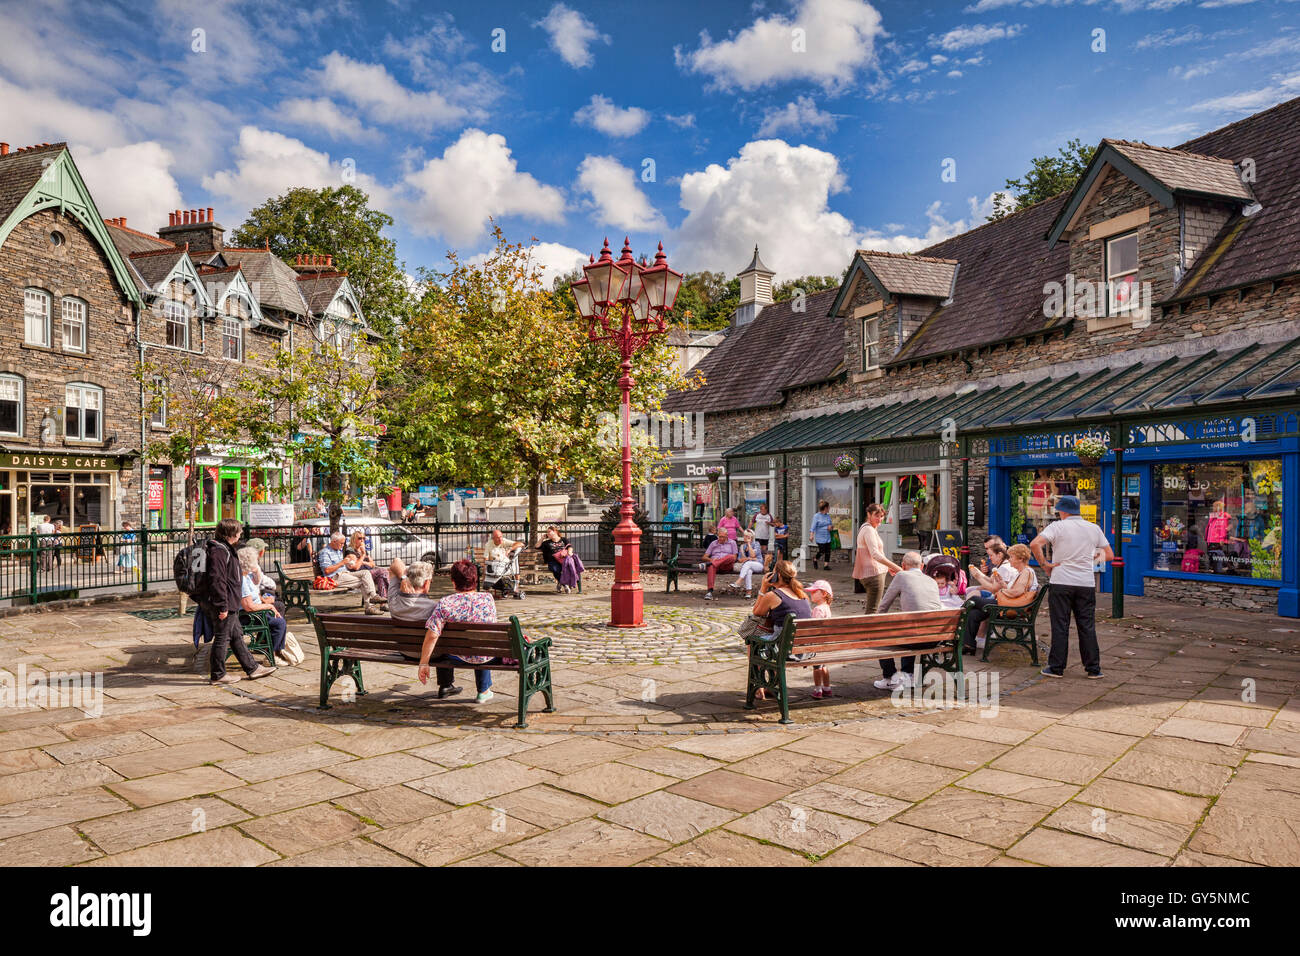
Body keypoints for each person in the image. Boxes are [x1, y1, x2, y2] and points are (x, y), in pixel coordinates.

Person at [1030, 495, 1114, 679]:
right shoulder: (1094, 528)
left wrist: (1045, 564)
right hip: (1085, 583)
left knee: (1060, 625)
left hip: (1061, 581)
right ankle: (1093, 668)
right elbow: (1109, 555)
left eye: (1059, 510)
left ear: (1063, 510)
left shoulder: (1057, 526)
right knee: (1087, 626)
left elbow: (1035, 544)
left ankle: (1056, 667)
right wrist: (1090, 558)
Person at [416, 559, 503, 704]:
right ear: (475, 579)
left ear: (453, 581)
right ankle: (483, 691)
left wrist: (423, 663)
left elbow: (432, 634)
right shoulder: (488, 598)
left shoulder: (445, 602)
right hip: (486, 655)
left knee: (442, 644)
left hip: (457, 655)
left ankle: (445, 685)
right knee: (480, 643)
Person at [202, 518, 275, 685]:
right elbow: (217, 580)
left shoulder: (224, 548)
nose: (241, 533)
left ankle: (252, 668)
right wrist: (222, 606)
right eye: (239, 531)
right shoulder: (219, 551)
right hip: (224, 603)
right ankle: (218, 674)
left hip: (230, 602)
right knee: (222, 637)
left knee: (236, 636)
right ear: (231, 534)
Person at [872, 551, 942, 690]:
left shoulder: (901, 575)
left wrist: (876, 622)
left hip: (914, 638)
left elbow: (884, 605)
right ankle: (908, 675)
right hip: (935, 638)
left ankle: (890, 678)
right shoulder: (931, 581)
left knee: (881, 635)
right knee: (909, 628)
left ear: (903, 565)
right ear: (921, 566)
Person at [748, 560, 812, 701]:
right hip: (804, 650)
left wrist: (763, 588)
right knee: (769, 637)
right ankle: (772, 685)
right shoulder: (803, 595)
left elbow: (756, 612)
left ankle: (759, 688)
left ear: (777, 575)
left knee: (751, 640)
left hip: (784, 651)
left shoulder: (774, 596)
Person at [237, 546, 287, 660]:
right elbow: (249, 606)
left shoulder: (246, 575)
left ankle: (273, 648)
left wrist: (256, 569)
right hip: (248, 616)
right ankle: (272, 656)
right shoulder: (243, 580)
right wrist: (269, 606)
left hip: (254, 612)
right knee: (280, 623)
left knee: (278, 609)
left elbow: (256, 582)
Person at [853, 503, 901, 612]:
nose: (879, 519)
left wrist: (887, 567)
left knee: (874, 609)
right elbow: (875, 554)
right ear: (868, 514)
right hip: (873, 574)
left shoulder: (869, 528)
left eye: (882, 516)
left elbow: (877, 552)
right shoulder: (868, 530)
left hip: (872, 572)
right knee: (873, 611)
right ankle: (869, 629)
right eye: (876, 515)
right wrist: (897, 567)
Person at [318, 531, 381, 612]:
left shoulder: (338, 550)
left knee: (365, 573)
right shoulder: (325, 552)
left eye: (343, 543)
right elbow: (327, 571)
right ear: (334, 542)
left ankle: (373, 596)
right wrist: (342, 563)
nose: (343, 545)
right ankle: (370, 606)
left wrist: (348, 563)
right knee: (364, 581)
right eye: (341, 543)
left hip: (345, 574)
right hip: (335, 577)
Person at [807, 579, 834, 699]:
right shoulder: (827, 607)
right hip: (825, 643)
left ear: (823, 594)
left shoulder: (818, 609)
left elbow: (813, 628)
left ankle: (818, 689)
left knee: (817, 667)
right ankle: (827, 688)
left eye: (814, 592)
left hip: (817, 644)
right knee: (824, 666)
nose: (811, 594)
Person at [539, 526, 583, 593]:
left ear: (555, 531)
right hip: (553, 561)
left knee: (573, 568)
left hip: (564, 560)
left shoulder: (563, 539)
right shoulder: (546, 543)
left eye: (549, 532)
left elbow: (569, 546)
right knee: (555, 569)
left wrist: (569, 552)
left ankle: (562, 583)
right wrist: (542, 538)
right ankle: (564, 584)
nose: (547, 533)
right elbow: (537, 546)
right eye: (547, 532)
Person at [347, 530, 388, 600]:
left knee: (381, 577)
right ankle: (391, 592)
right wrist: (363, 555)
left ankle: (382, 602)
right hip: (360, 574)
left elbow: (372, 564)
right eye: (360, 538)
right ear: (354, 539)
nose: (362, 540)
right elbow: (356, 567)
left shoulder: (364, 550)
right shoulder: (350, 550)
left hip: (370, 572)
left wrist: (363, 562)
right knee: (383, 571)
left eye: (364, 538)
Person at [699, 526, 738, 600]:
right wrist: (711, 560)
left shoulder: (732, 543)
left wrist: (716, 561)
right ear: (717, 535)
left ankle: (711, 564)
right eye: (720, 537)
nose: (721, 539)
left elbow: (734, 557)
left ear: (727, 535)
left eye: (723, 537)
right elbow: (704, 557)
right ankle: (709, 592)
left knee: (730, 557)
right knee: (711, 566)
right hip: (715, 566)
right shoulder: (713, 543)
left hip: (726, 566)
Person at [729, 530, 765, 598]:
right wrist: (748, 558)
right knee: (748, 571)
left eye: (747, 536)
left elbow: (753, 555)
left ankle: (738, 582)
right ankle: (748, 592)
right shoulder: (742, 546)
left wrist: (749, 544)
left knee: (748, 564)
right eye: (744, 536)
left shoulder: (756, 544)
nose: (744, 537)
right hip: (747, 566)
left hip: (758, 565)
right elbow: (740, 559)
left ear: (751, 537)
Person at [809, 500, 834, 570]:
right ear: (825, 508)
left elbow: (831, 525)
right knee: (822, 551)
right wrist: (811, 535)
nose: (829, 508)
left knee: (828, 551)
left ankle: (826, 565)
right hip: (820, 537)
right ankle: (815, 558)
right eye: (828, 507)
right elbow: (813, 527)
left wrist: (831, 527)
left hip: (827, 536)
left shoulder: (828, 516)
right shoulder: (816, 516)